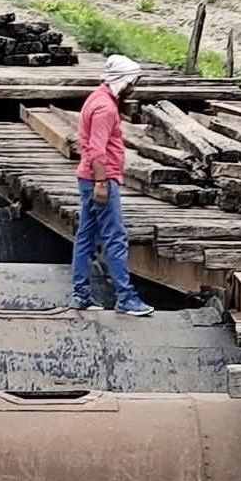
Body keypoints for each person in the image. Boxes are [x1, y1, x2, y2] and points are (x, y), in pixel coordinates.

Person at [72, 55, 155, 316]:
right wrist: (101, 183)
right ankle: (126, 297)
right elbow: (97, 150)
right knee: (115, 238)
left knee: (85, 237)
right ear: (124, 81)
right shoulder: (106, 108)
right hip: (101, 178)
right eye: (133, 82)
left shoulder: (96, 98)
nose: (134, 88)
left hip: (89, 176)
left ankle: (81, 295)